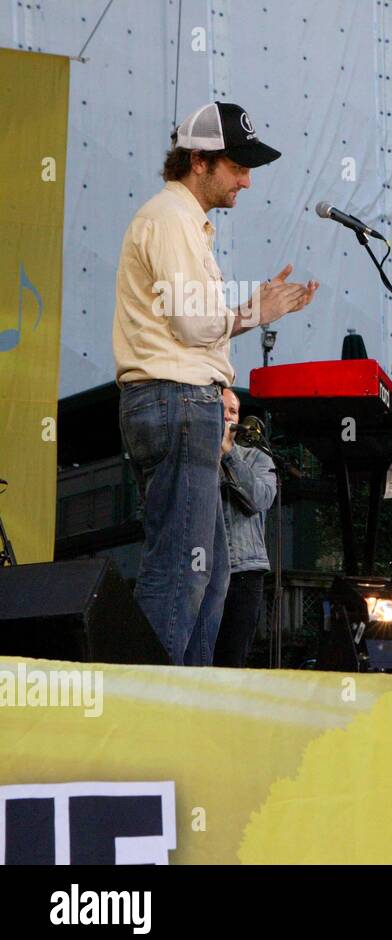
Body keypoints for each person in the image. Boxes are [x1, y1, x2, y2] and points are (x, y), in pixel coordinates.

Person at [114, 102, 318, 665]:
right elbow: (192, 321)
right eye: (238, 166)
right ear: (199, 161)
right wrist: (254, 312)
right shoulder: (171, 219)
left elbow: (189, 326)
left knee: (211, 571)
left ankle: (187, 700)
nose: (247, 180)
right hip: (174, 400)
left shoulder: (179, 221)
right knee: (182, 568)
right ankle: (152, 705)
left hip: (179, 398)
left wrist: (243, 326)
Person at [214, 388, 276, 667]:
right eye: (222, 408)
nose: (228, 415)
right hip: (203, 574)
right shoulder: (196, 460)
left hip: (243, 574)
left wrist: (228, 455)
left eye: (233, 411)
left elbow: (259, 499)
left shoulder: (256, 458)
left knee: (232, 660)